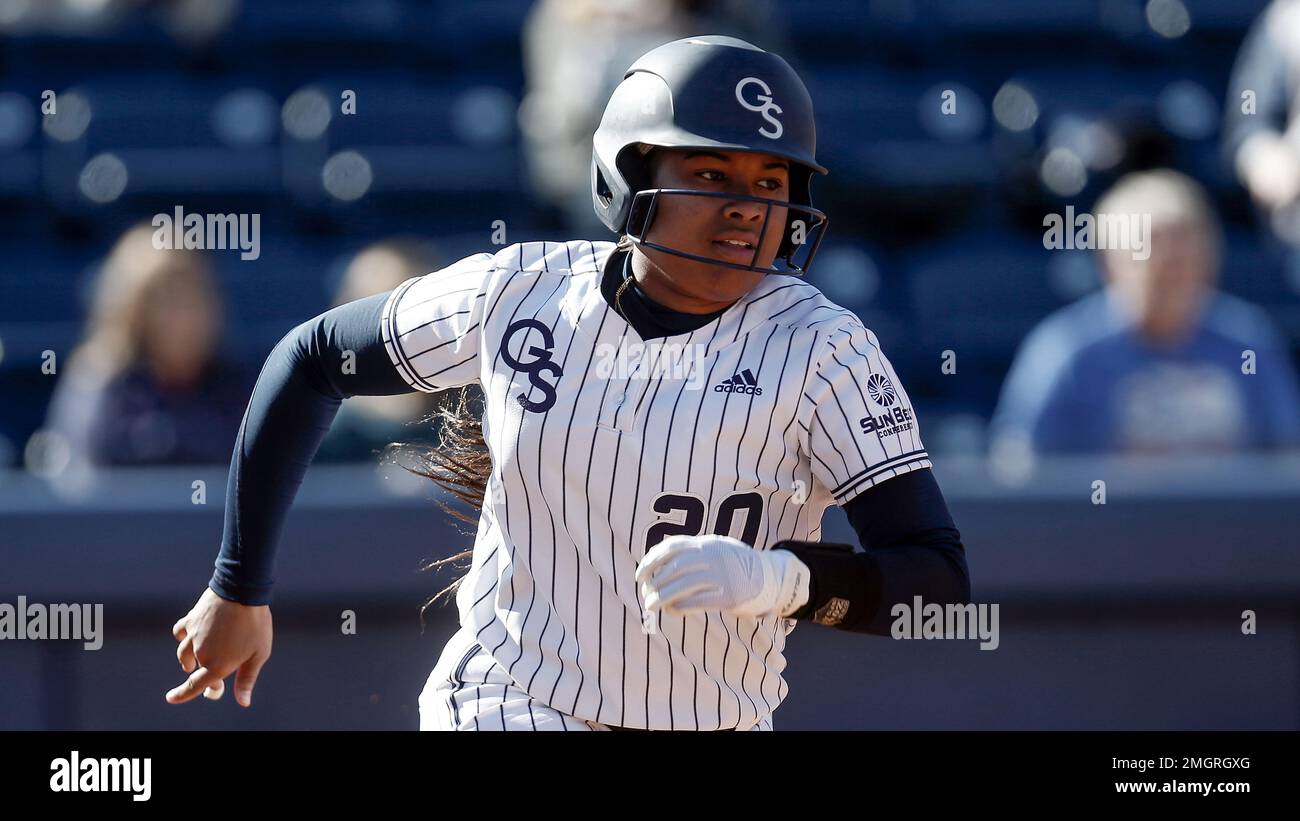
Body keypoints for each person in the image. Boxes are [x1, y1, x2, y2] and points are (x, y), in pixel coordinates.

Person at [165, 36, 970, 731]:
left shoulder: (822, 349)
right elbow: (311, 360)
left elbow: (936, 579)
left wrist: (782, 580)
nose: (746, 209)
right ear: (630, 175)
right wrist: (237, 585)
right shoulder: (521, 291)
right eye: (712, 173)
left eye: (770, 184)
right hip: (507, 696)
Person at [991, 169, 1300, 456]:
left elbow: (1286, 458)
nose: (1173, 270)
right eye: (1156, 260)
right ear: (1109, 261)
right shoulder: (1066, 350)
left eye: (1185, 259)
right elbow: (1021, 470)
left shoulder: (1248, 340)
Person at [44, 222, 249, 469]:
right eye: (168, 299)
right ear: (134, 310)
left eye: (195, 295)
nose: (186, 316)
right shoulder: (98, 386)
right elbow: (79, 489)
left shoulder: (236, 388)